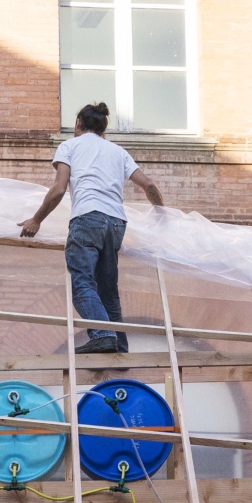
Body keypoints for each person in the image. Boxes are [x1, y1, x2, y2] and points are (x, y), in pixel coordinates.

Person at [18, 100, 164, 355]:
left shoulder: (70, 146)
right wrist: (163, 214)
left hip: (88, 219)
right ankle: (118, 344)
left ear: (78, 124)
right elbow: (149, 185)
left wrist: (36, 219)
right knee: (107, 288)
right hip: (117, 222)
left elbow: (59, 189)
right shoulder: (118, 152)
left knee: (83, 283)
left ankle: (103, 334)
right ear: (103, 129)